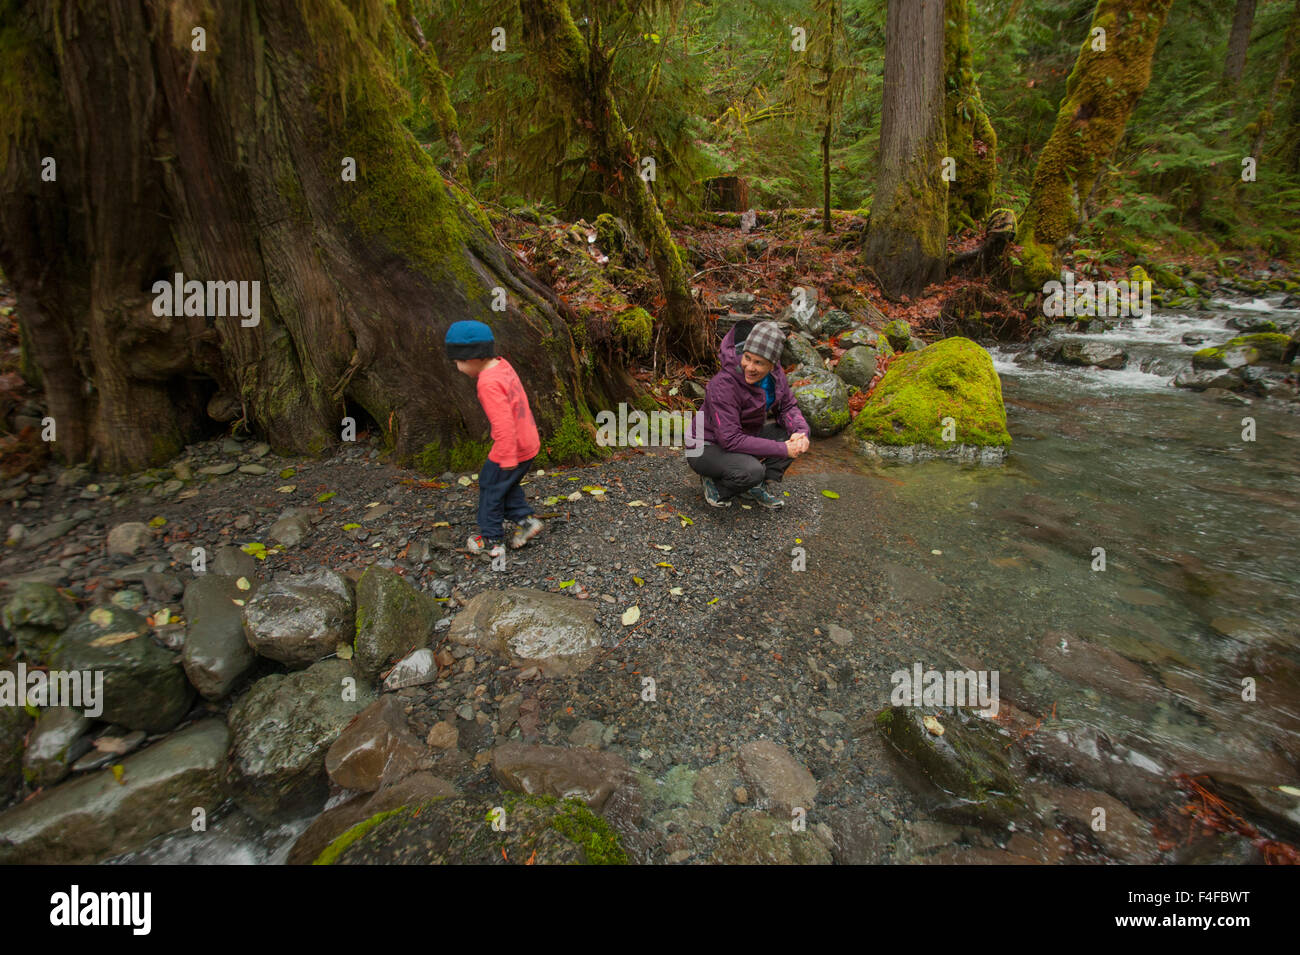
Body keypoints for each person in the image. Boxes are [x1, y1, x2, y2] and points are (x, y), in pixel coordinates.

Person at [445, 320, 544, 557]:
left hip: (510, 449)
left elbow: (503, 424)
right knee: (505, 485)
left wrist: (506, 456)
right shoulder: (502, 365)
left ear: (472, 358)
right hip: (528, 443)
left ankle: (491, 539)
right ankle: (526, 520)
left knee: (490, 487)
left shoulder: (487, 383)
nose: (457, 367)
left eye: (458, 361)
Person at [687, 319, 810, 508]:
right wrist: (783, 449)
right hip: (705, 445)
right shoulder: (724, 384)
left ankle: (753, 487)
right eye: (747, 358)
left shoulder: (776, 376)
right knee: (751, 471)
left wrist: (800, 433)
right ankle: (717, 484)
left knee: (790, 436)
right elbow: (730, 439)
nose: (750, 367)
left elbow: (787, 407)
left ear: (772, 365)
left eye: (759, 362)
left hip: (743, 435)